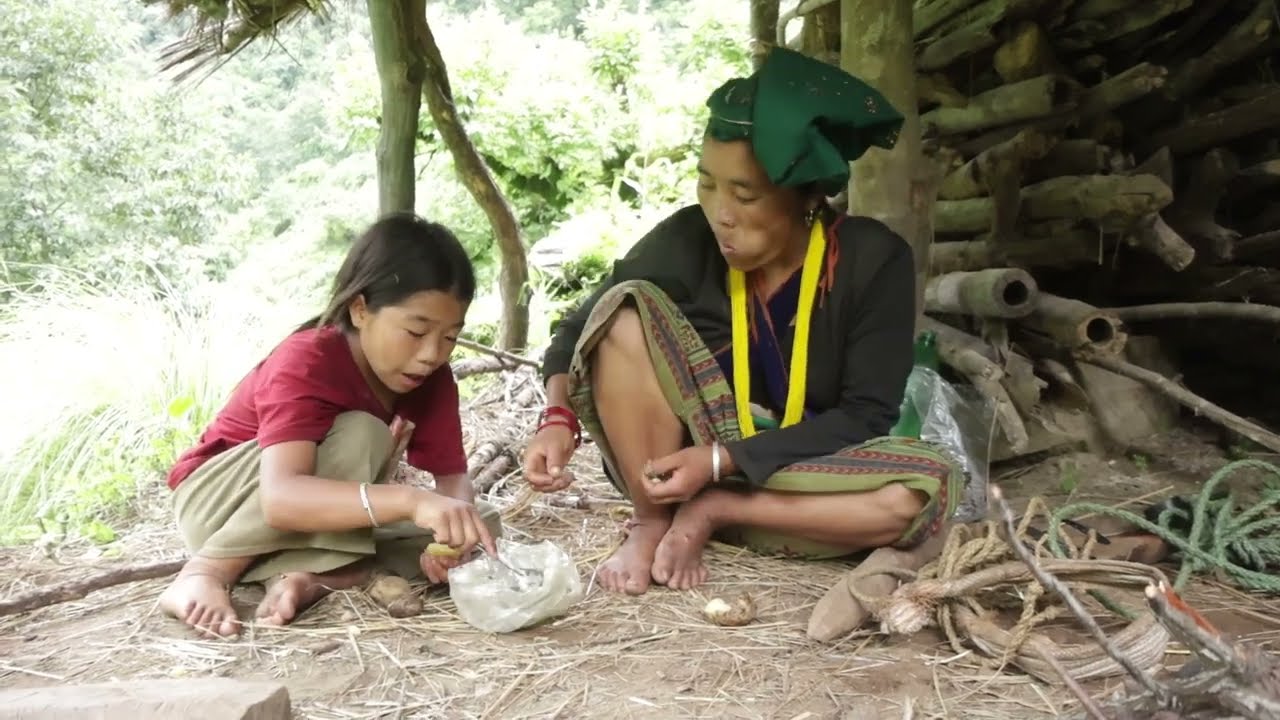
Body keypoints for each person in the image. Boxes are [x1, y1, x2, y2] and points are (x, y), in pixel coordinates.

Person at [521, 48, 963, 596]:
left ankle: (718, 512)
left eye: (745, 194)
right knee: (622, 313)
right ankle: (652, 522)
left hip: (808, 466)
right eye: (707, 183)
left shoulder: (874, 261)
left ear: (806, 195)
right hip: (678, 469)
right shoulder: (686, 240)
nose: (719, 213)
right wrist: (557, 416)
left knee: (920, 491)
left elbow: (866, 414)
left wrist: (721, 465)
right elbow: (577, 328)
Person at [159, 213, 501, 638]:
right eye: (416, 332)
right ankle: (206, 572)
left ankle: (314, 576)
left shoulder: (432, 379)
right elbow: (281, 499)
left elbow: (453, 483)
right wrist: (412, 502)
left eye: (449, 337)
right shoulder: (308, 358)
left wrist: (451, 544)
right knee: (362, 433)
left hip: (312, 519)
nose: (432, 354)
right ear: (360, 309)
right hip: (222, 506)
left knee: (481, 521)